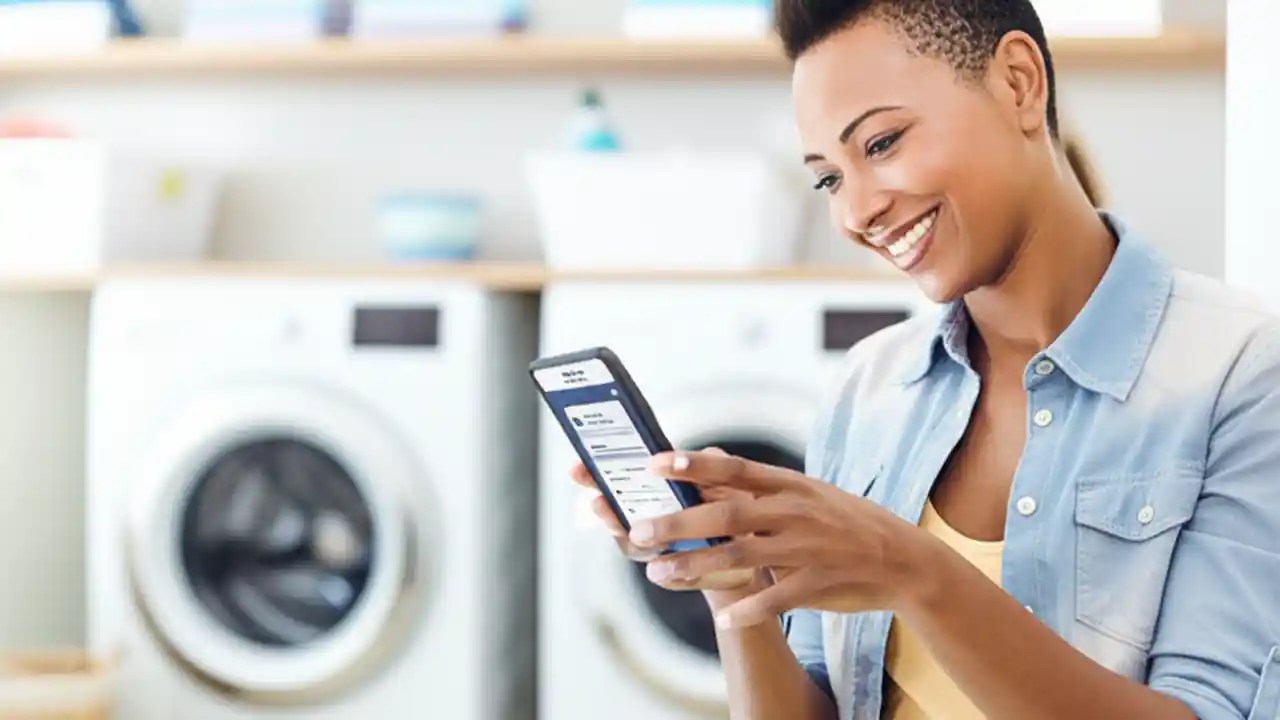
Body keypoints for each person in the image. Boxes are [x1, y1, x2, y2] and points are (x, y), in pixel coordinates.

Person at [569, 1, 1280, 718]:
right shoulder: (869, 390)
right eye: (828, 178)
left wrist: (912, 572)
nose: (854, 214)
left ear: (1018, 83)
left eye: (880, 144)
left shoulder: (1239, 374)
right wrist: (732, 581)